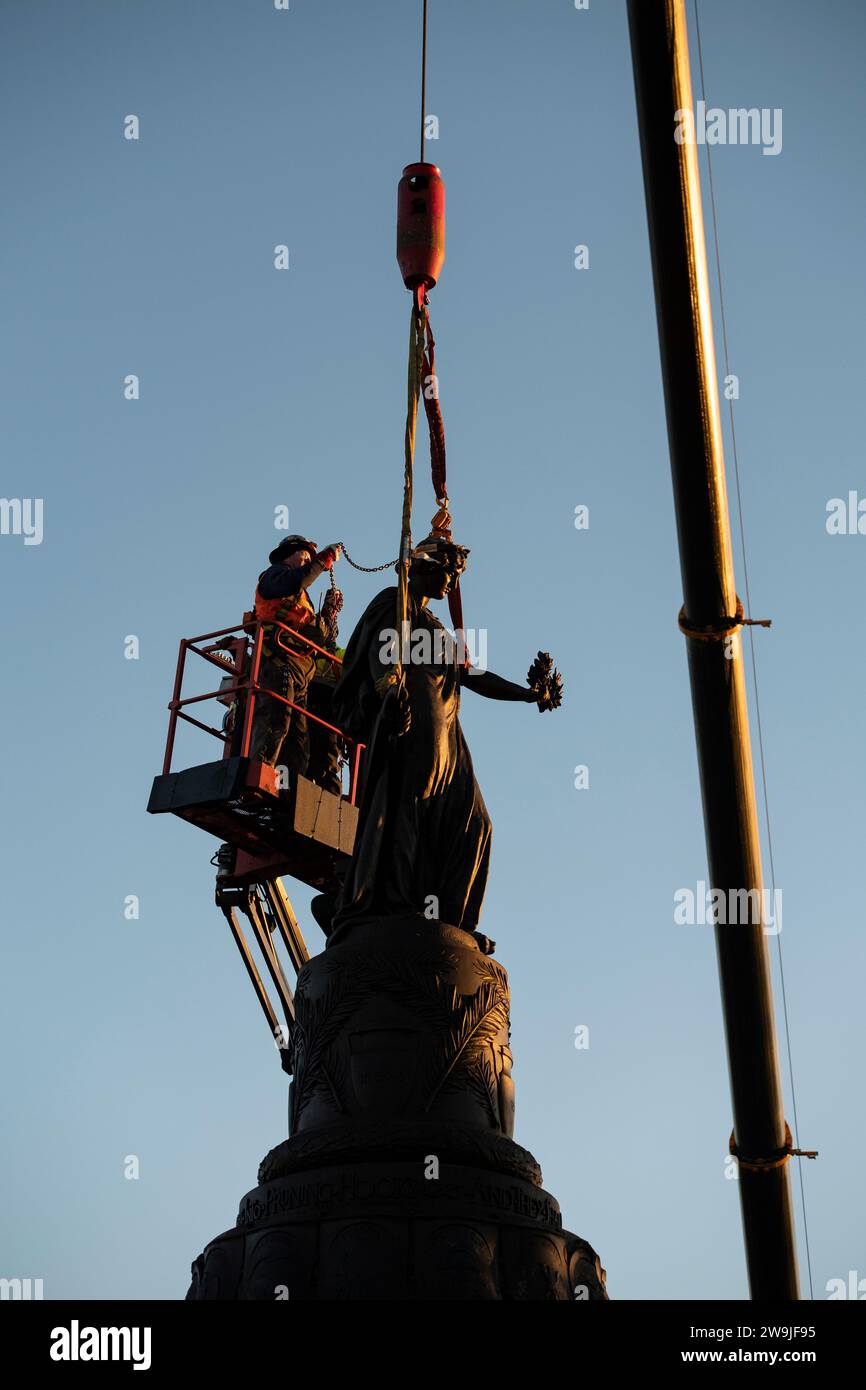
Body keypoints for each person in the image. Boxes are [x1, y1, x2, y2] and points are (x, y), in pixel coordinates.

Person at [326, 532, 562, 941]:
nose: (453, 582)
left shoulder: (431, 623)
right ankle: (399, 907)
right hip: (413, 727)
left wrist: (527, 694)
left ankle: (454, 923)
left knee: (476, 824)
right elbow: (381, 660)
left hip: (448, 737)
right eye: (449, 572)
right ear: (424, 565)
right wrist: (388, 695)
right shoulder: (394, 604)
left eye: (456, 575)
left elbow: (473, 676)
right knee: (406, 816)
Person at [248, 534, 341, 779]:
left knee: (298, 738)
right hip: (281, 662)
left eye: (311, 557)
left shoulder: (298, 592)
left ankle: (289, 786)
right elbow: (297, 580)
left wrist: (328, 612)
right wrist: (323, 560)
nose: (308, 561)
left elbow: (316, 633)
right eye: (305, 555)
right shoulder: (274, 576)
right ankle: (261, 773)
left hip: (300, 670)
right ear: (289, 554)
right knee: (276, 722)